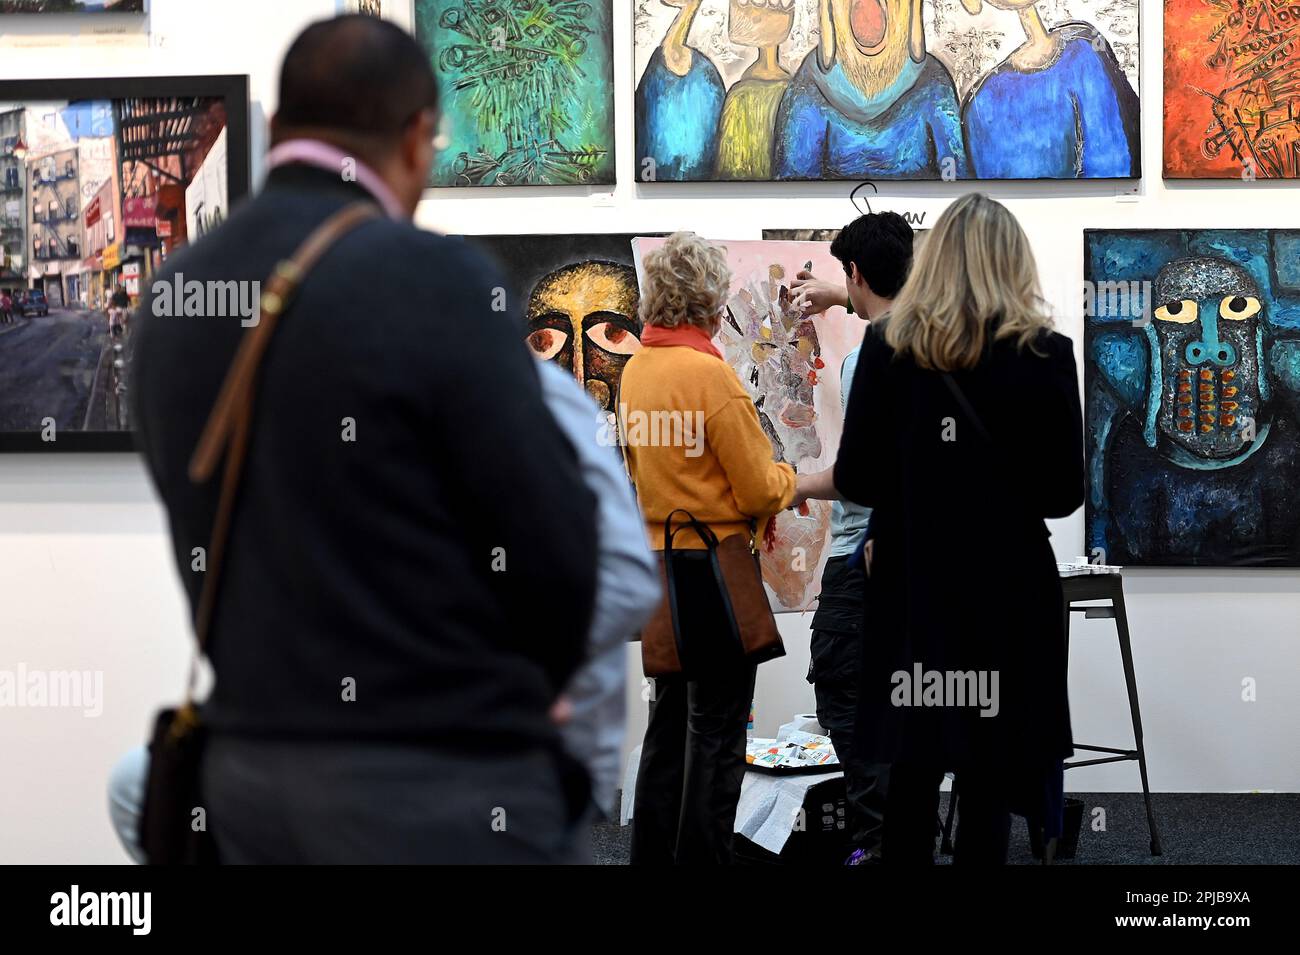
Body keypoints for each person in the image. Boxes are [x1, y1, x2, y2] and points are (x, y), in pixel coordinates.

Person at [131, 15, 599, 864]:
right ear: (420, 137)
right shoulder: (435, 279)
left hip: (247, 782)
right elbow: (555, 548)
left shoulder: (172, 297)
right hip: (438, 784)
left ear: (276, 127)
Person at [107, 359, 659, 863]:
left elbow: (622, 581)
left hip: (474, 743)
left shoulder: (527, 401)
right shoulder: (337, 416)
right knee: (141, 784)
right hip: (361, 733)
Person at [833, 194, 1084, 865]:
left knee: (913, 773)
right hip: (1007, 597)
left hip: (918, 593)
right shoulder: (1046, 352)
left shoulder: (888, 348)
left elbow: (857, 478)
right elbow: (1063, 495)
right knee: (990, 781)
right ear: (1013, 262)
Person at [621, 231, 797, 865]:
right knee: (718, 734)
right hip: (716, 569)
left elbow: (640, 470)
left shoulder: (637, 371)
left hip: (660, 569)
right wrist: (790, 481)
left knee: (668, 730)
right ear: (708, 298)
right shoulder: (711, 376)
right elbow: (756, 488)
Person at [789, 211, 915, 864]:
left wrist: (793, 483)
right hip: (912, 557)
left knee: (844, 695)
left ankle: (875, 846)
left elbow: (863, 471)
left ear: (858, 272)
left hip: (862, 553)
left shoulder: (878, 354)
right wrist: (842, 294)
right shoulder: (934, 336)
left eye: (849, 277)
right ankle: (892, 840)